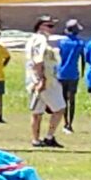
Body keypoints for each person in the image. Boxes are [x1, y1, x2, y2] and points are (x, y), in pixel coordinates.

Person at [24, 14, 64, 149]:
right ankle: (49, 137)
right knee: (59, 108)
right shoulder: (40, 40)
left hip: (34, 80)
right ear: (40, 26)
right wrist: (42, 79)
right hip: (45, 80)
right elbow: (38, 60)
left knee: (37, 112)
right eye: (49, 26)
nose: (52, 29)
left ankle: (35, 140)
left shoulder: (32, 39)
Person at [55, 18, 87, 131]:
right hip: (73, 74)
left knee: (63, 99)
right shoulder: (80, 43)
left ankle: (65, 122)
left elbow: (59, 56)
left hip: (61, 73)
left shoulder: (62, 42)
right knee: (72, 99)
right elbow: (83, 60)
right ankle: (70, 124)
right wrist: (82, 72)